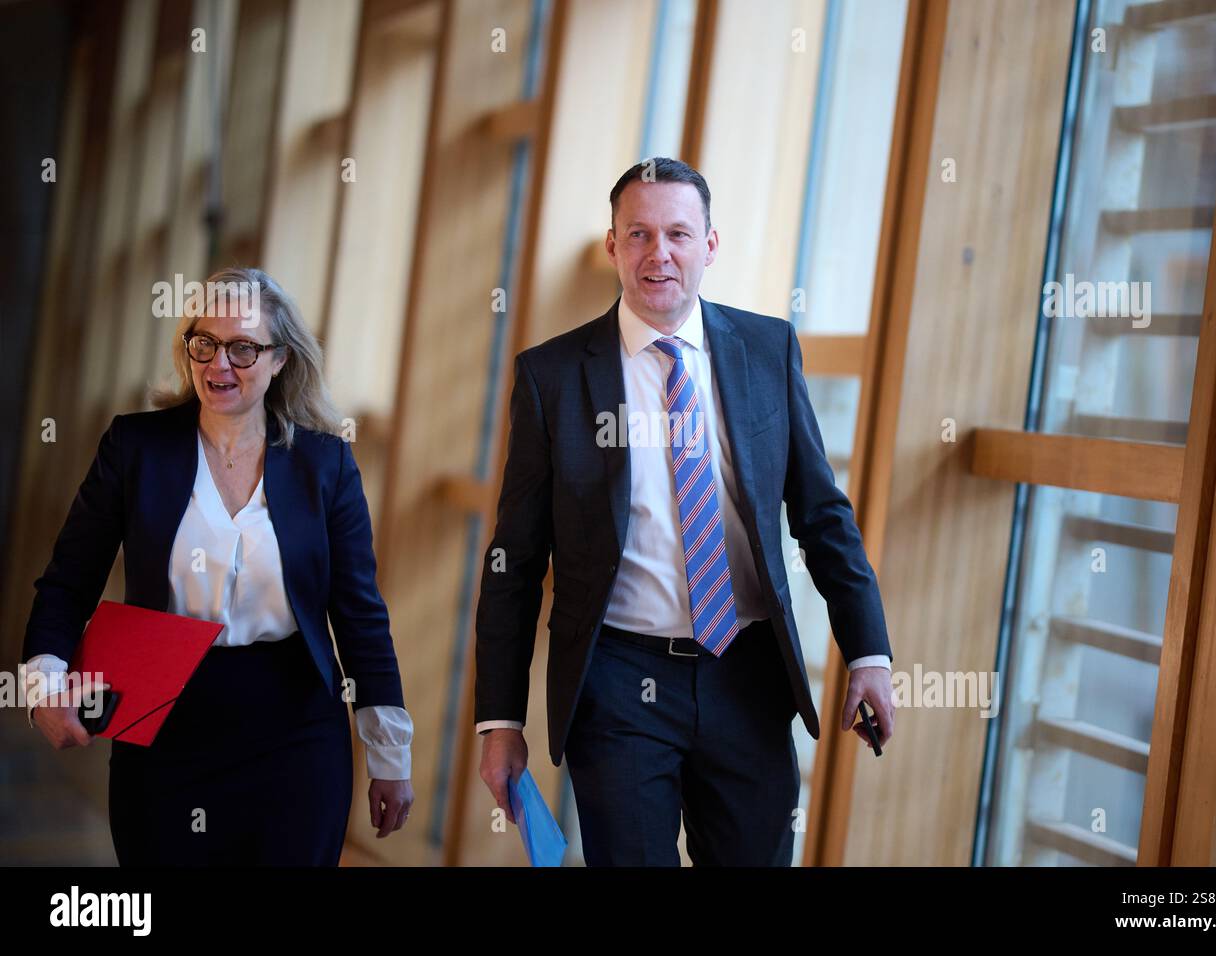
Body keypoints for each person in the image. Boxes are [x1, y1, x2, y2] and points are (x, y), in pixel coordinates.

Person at [475, 158, 895, 866]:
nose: (658, 253)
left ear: (710, 244)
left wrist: (868, 653)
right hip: (619, 683)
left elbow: (823, 516)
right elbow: (512, 562)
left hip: (748, 676)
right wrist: (500, 720)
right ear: (612, 245)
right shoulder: (553, 377)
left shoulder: (766, 350)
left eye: (677, 233)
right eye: (638, 234)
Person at [21, 266, 414, 866]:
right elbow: (68, 581)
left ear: (280, 359)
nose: (218, 364)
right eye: (204, 343)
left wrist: (389, 757)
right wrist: (43, 684)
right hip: (164, 723)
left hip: (296, 733)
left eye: (243, 348)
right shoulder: (135, 447)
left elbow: (360, 614)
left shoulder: (325, 465)